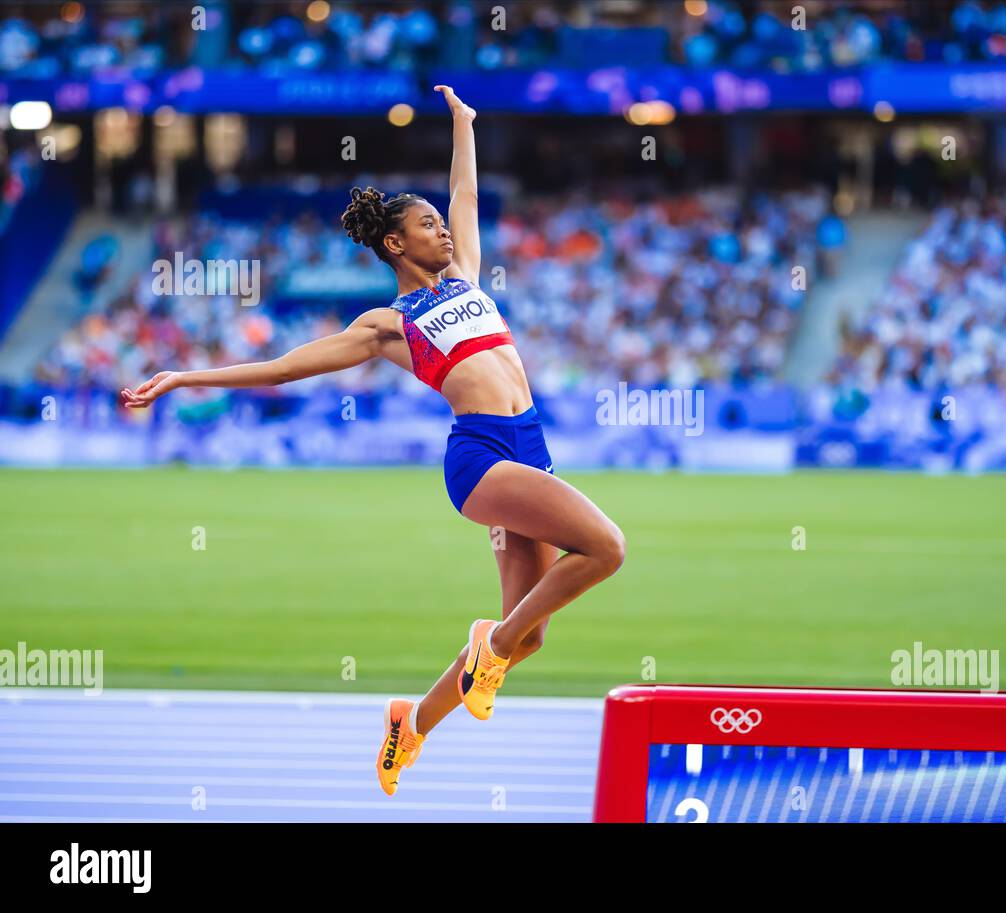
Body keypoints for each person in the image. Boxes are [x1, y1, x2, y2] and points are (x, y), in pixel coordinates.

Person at [121, 86, 627, 796]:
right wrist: (184, 377)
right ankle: (492, 643)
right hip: (483, 457)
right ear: (396, 243)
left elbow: (467, 194)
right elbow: (286, 365)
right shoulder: (387, 325)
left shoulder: (467, 275)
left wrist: (463, 123)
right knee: (606, 547)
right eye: (428, 225)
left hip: (531, 446)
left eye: (441, 223)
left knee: (531, 633)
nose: (444, 231)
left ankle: (412, 723)